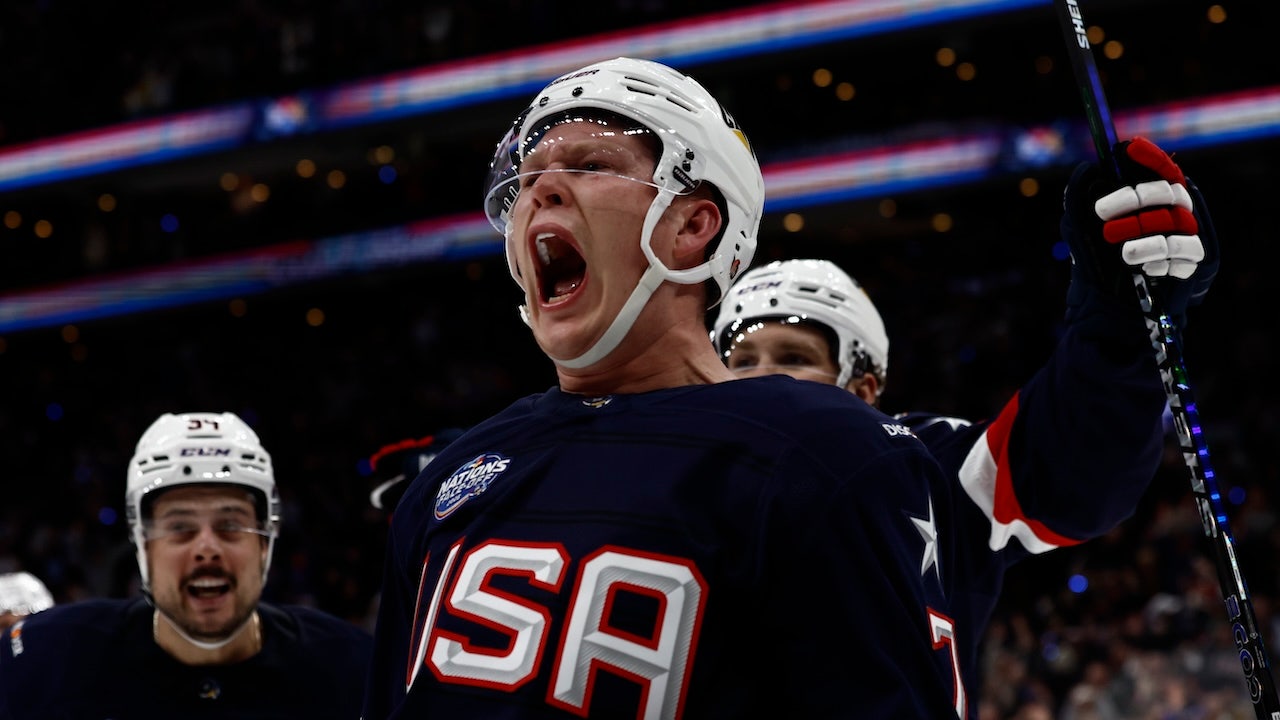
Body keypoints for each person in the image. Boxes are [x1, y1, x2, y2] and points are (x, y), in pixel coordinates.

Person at [364, 56, 967, 719]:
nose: (540, 191)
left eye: (590, 164)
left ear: (692, 227)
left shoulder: (827, 452)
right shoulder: (447, 483)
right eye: (529, 176)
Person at [711, 136, 1218, 712]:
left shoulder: (923, 461)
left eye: (795, 359)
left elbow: (1072, 470)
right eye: (742, 361)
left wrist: (1118, 322)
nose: (762, 379)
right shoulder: (682, 467)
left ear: (864, 387)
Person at [0, 411, 373, 719]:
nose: (207, 548)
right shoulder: (46, 657)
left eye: (230, 524)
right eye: (179, 527)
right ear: (142, 545)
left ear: (264, 542)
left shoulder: (355, 667)